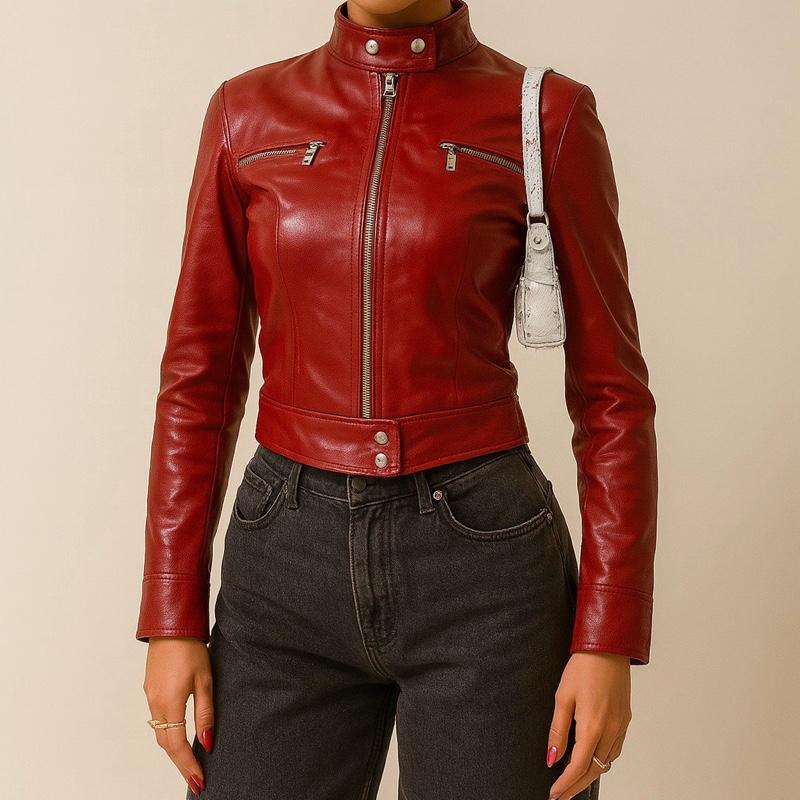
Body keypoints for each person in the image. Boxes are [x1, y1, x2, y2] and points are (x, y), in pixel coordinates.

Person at [137, 1, 658, 798]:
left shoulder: (546, 114)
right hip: (283, 568)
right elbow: (197, 377)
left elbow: (613, 396)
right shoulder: (247, 112)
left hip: (486, 576)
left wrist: (608, 634)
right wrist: (170, 615)